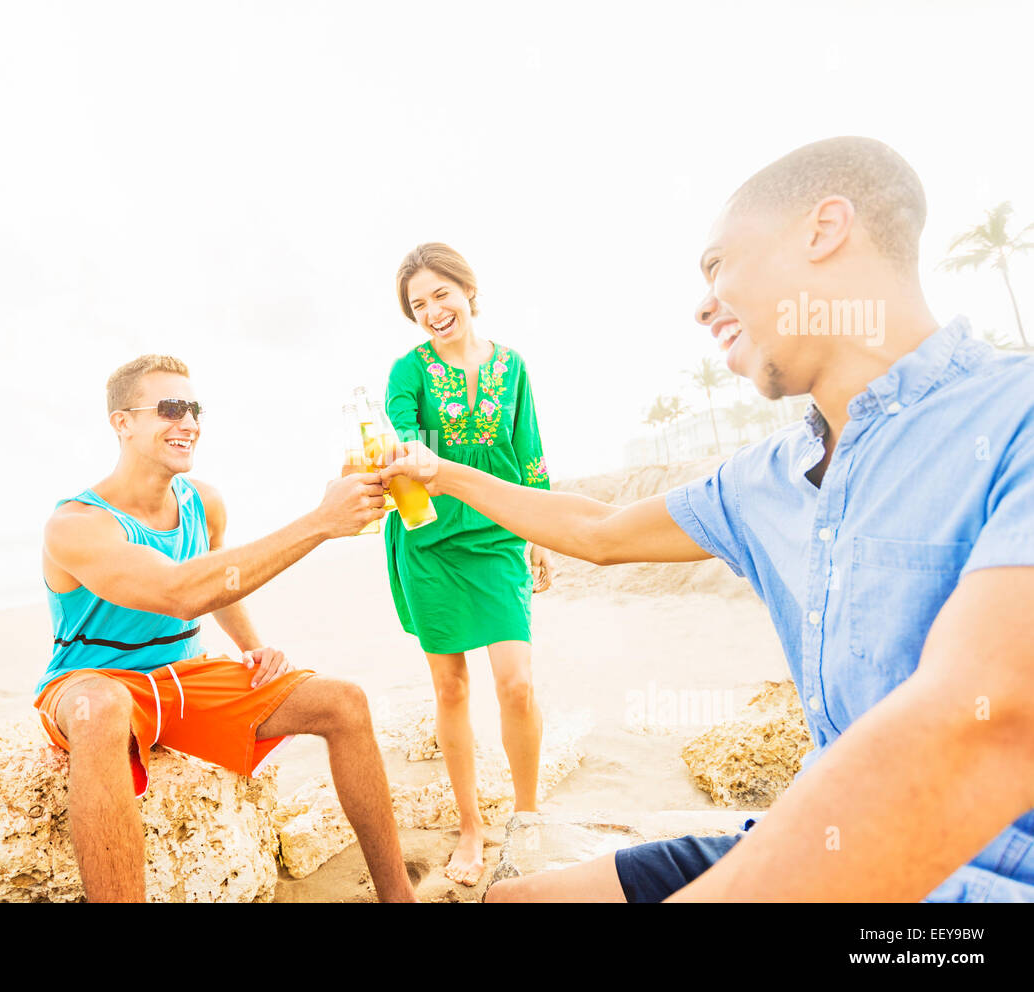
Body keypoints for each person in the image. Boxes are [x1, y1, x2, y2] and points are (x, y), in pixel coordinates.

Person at [382, 137, 1034, 902]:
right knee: (516, 900)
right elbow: (598, 531)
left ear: (824, 232)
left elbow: (987, 721)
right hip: (807, 840)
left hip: (968, 878)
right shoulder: (766, 477)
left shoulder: (1011, 414)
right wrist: (444, 471)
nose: (701, 303)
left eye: (718, 265)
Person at [37, 353, 417, 902]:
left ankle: (398, 897)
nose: (188, 422)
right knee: (103, 708)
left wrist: (253, 646)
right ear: (123, 422)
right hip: (92, 681)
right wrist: (319, 522)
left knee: (345, 702)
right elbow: (180, 592)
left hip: (183, 676)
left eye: (194, 408)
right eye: (170, 408)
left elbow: (215, 577)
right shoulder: (76, 525)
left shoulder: (203, 501)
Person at [383, 243, 556, 886]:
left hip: (501, 534)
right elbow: (404, 436)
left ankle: (528, 818)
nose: (432, 310)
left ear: (467, 290)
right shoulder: (409, 369)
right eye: (418, 303)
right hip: (429, 536)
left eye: (440, 294)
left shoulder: (514, 367)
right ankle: (471, 827)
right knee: (451, 686)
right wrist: (409, 450)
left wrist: (537, 531)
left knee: (517, 682)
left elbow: (528, 448)